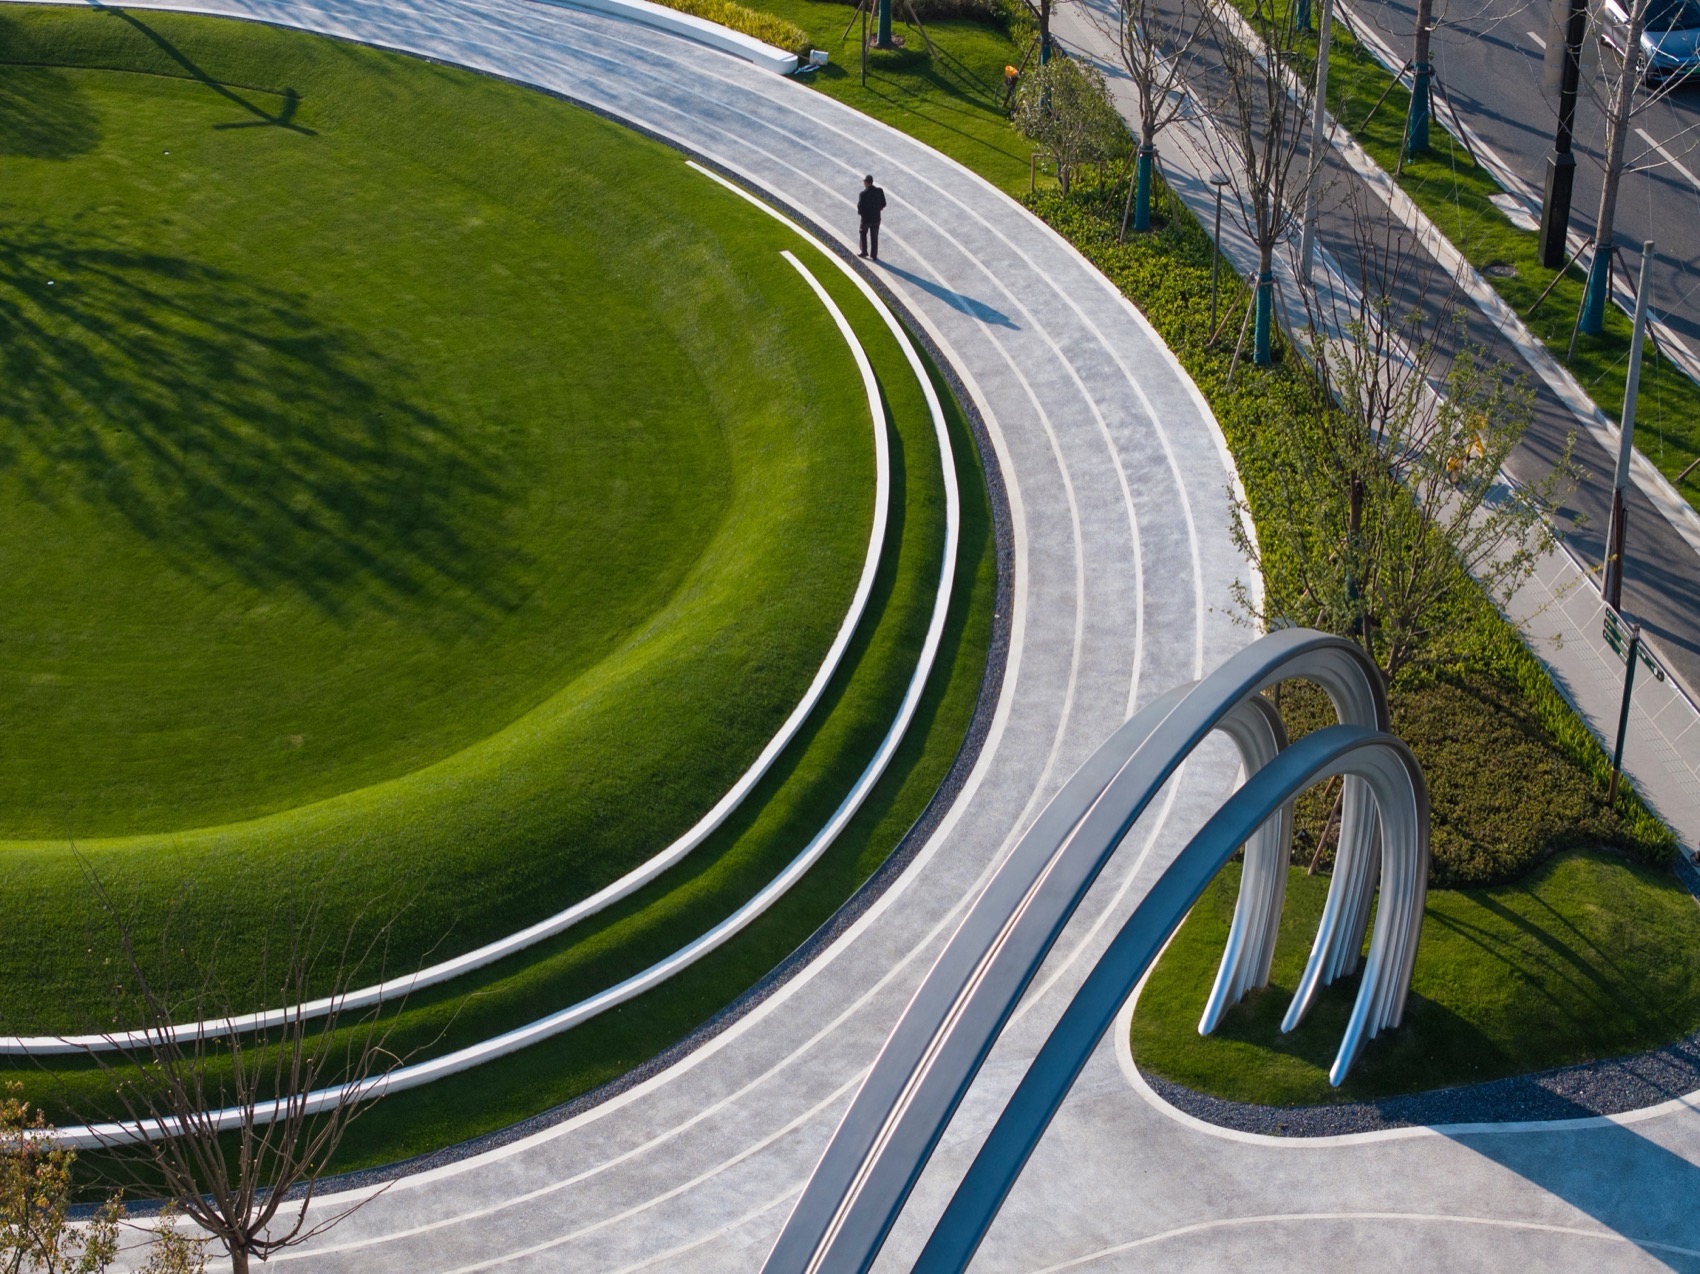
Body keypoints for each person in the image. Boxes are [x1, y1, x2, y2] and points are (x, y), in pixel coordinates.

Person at [857, 175, 886, 261]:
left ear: (866, 182)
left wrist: (862, 214)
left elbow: (860, 207)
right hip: (876, 218)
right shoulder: (879, 191)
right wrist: (878, 209)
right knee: (874, 236)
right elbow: (884, 203)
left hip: (866, 219)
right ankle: (874, 255)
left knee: (863, 233)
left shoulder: (863, 194)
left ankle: (864, 251)